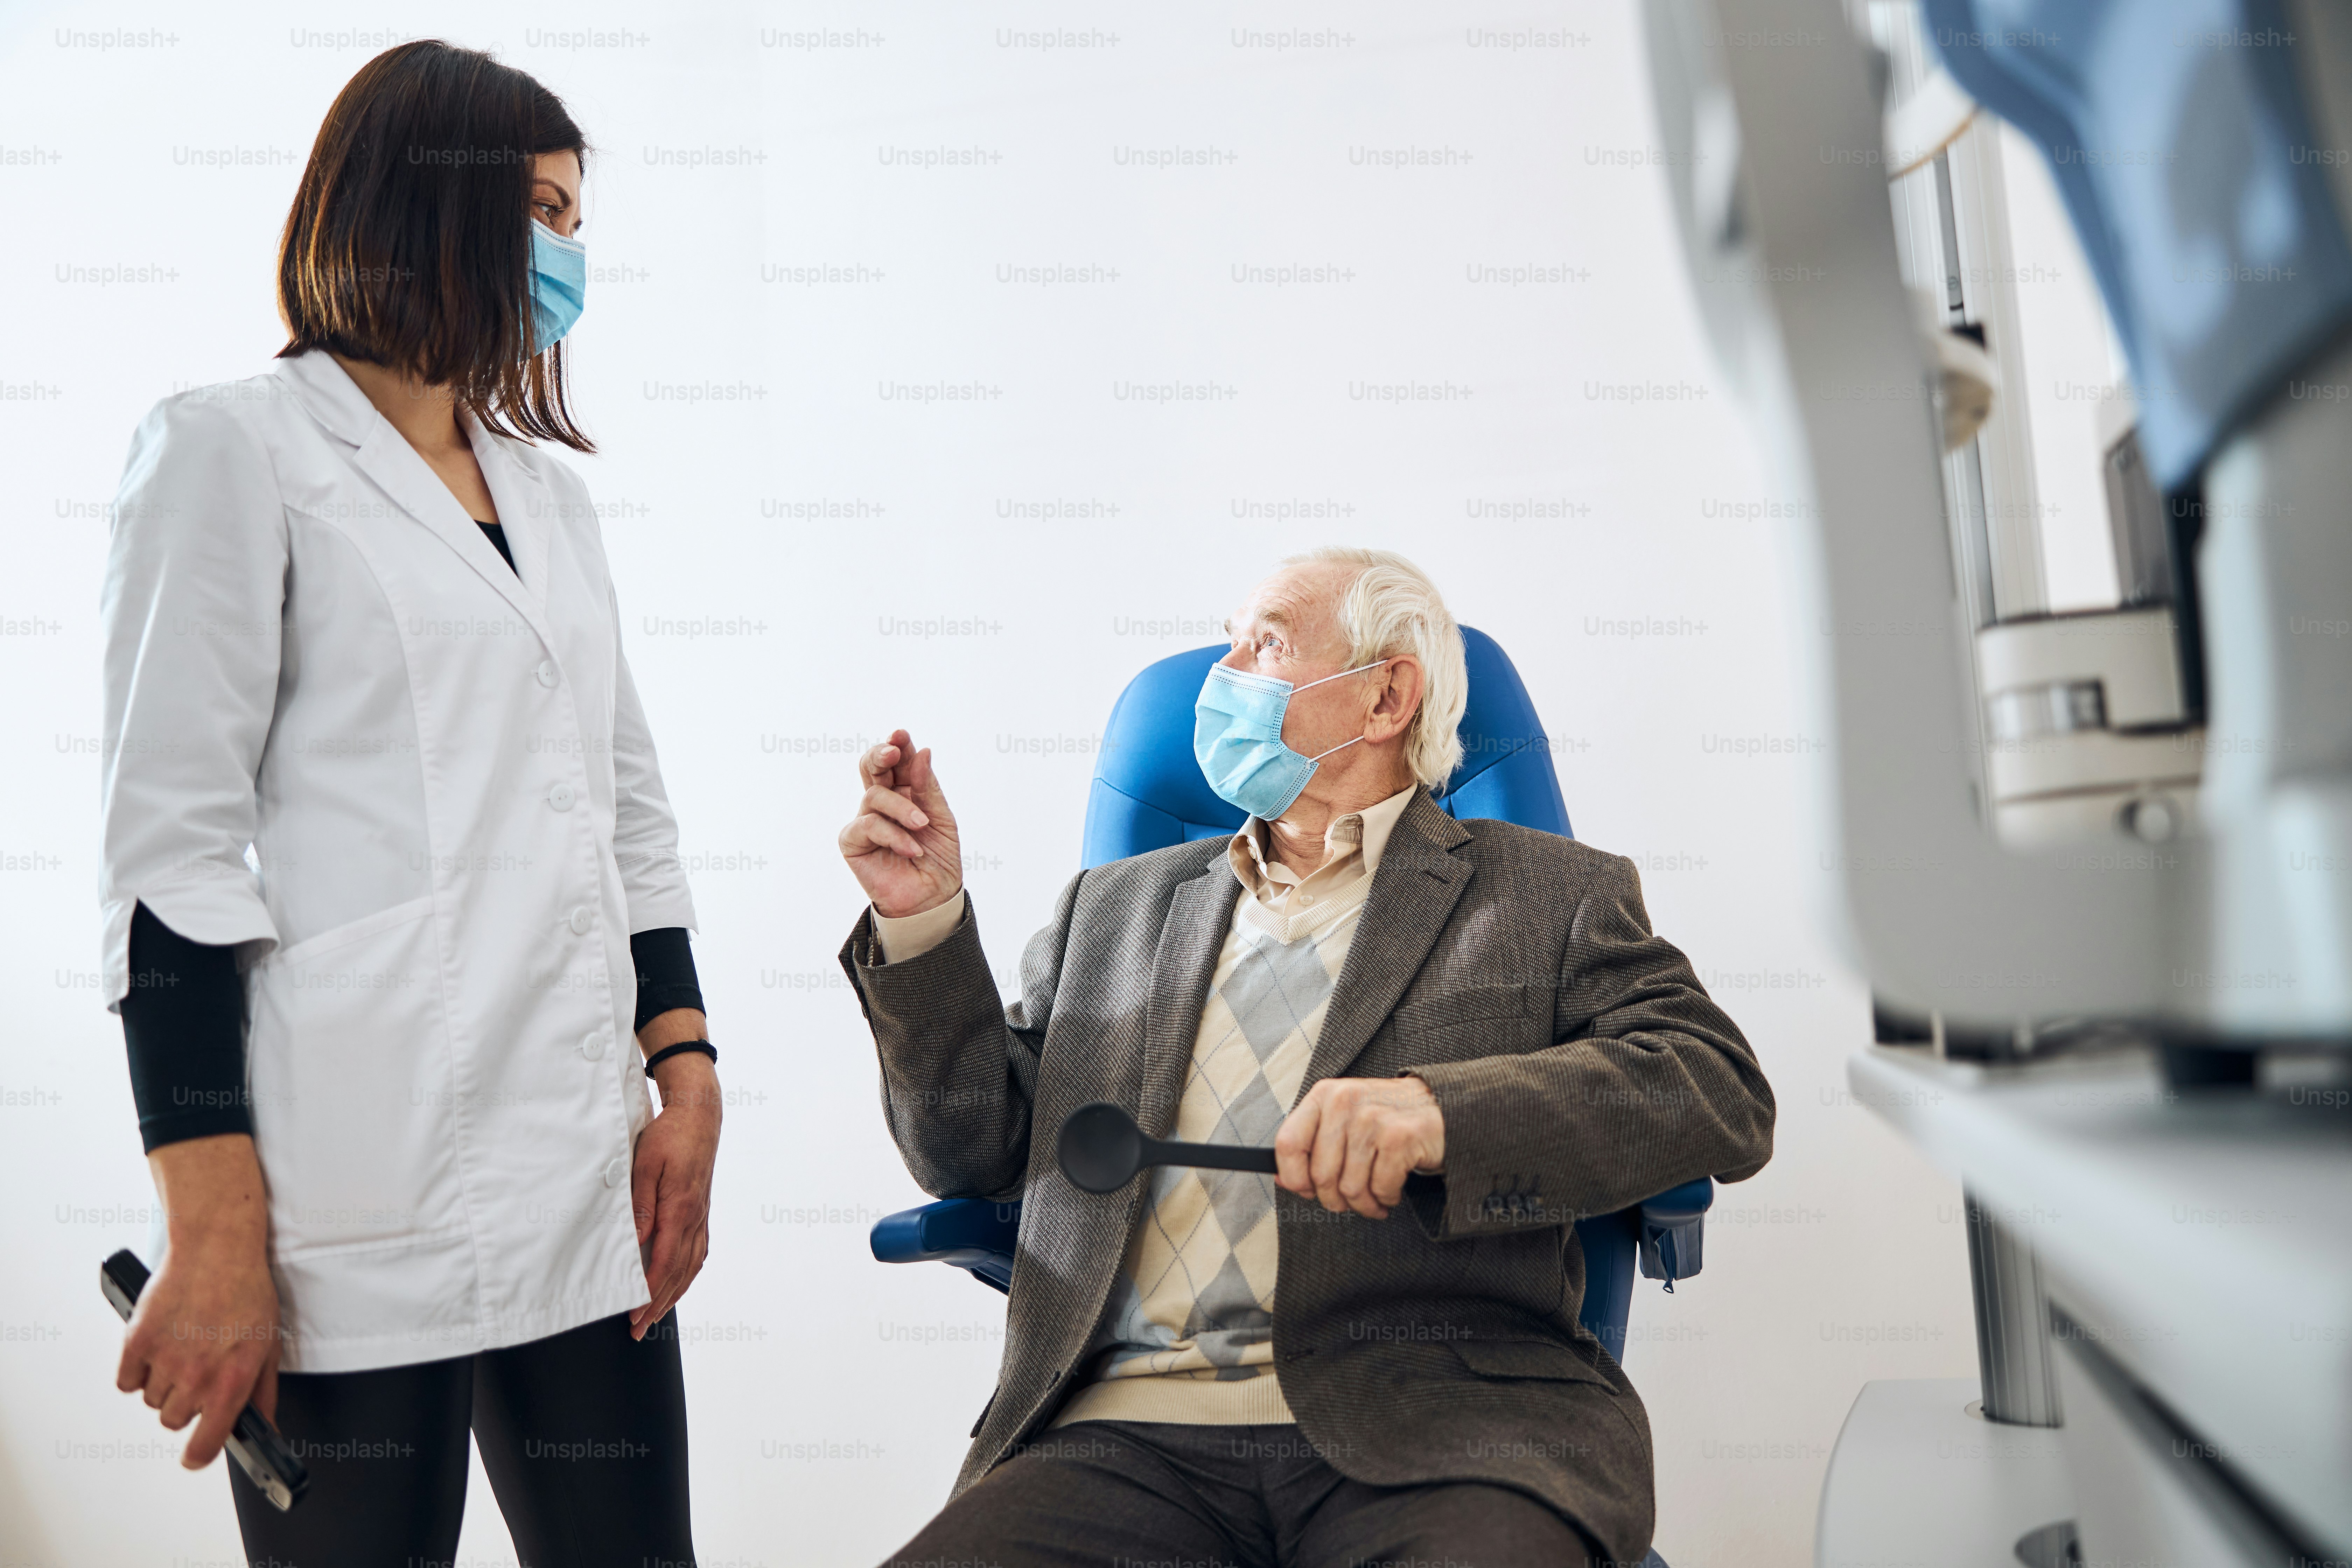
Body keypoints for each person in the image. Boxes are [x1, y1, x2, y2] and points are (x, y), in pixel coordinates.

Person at [837, 546, 1776, 1568]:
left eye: (1266, 643)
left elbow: (1714, 1087)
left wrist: (1440, 1114)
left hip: (1442, 1426)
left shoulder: (1544, 893)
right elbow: (970, 1151)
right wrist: (924, 924)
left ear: (1386, 696)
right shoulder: (1110, 910)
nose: (1221, 673)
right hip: (1119, 1439)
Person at [98, 41, 716, 1568]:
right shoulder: (232, 450)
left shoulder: (548, 496)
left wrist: (686, 1059)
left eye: (579, 219)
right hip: (344, 1211)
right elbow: (170, 857)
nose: (568, 254)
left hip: (582, 1179)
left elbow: (622, 802)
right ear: (428, 204)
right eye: (545, 212)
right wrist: (215, 1227)